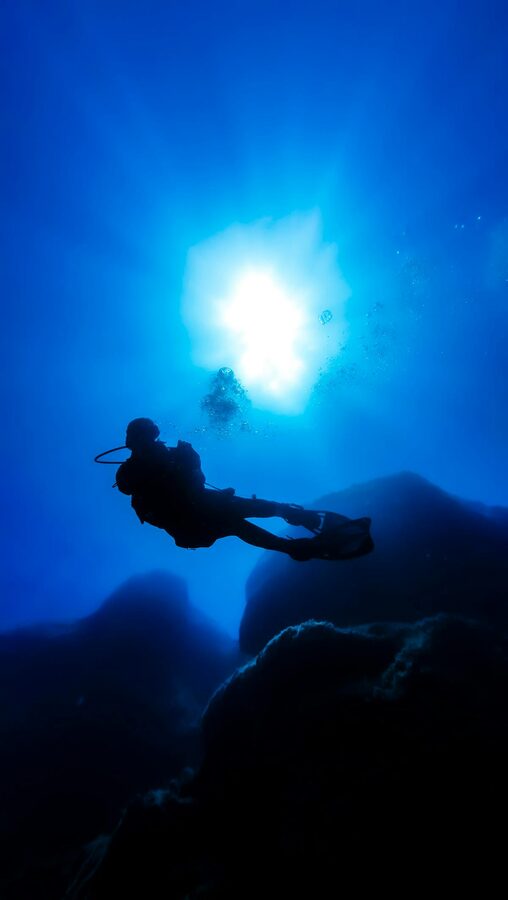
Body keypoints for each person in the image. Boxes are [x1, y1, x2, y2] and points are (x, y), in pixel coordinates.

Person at [115, 418, 373, 562]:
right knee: (233, 522)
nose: (150, 443)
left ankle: (290, 513)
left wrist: (190, 459)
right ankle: (291, 547)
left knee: (236, 507)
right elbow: (134, 491)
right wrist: (169, 466)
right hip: (188, 525)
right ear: (132, 442)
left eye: (150, 436)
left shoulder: (174, 455)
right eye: (141, 438)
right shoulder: (129, 472)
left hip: (203, 505)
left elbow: (197, 479)